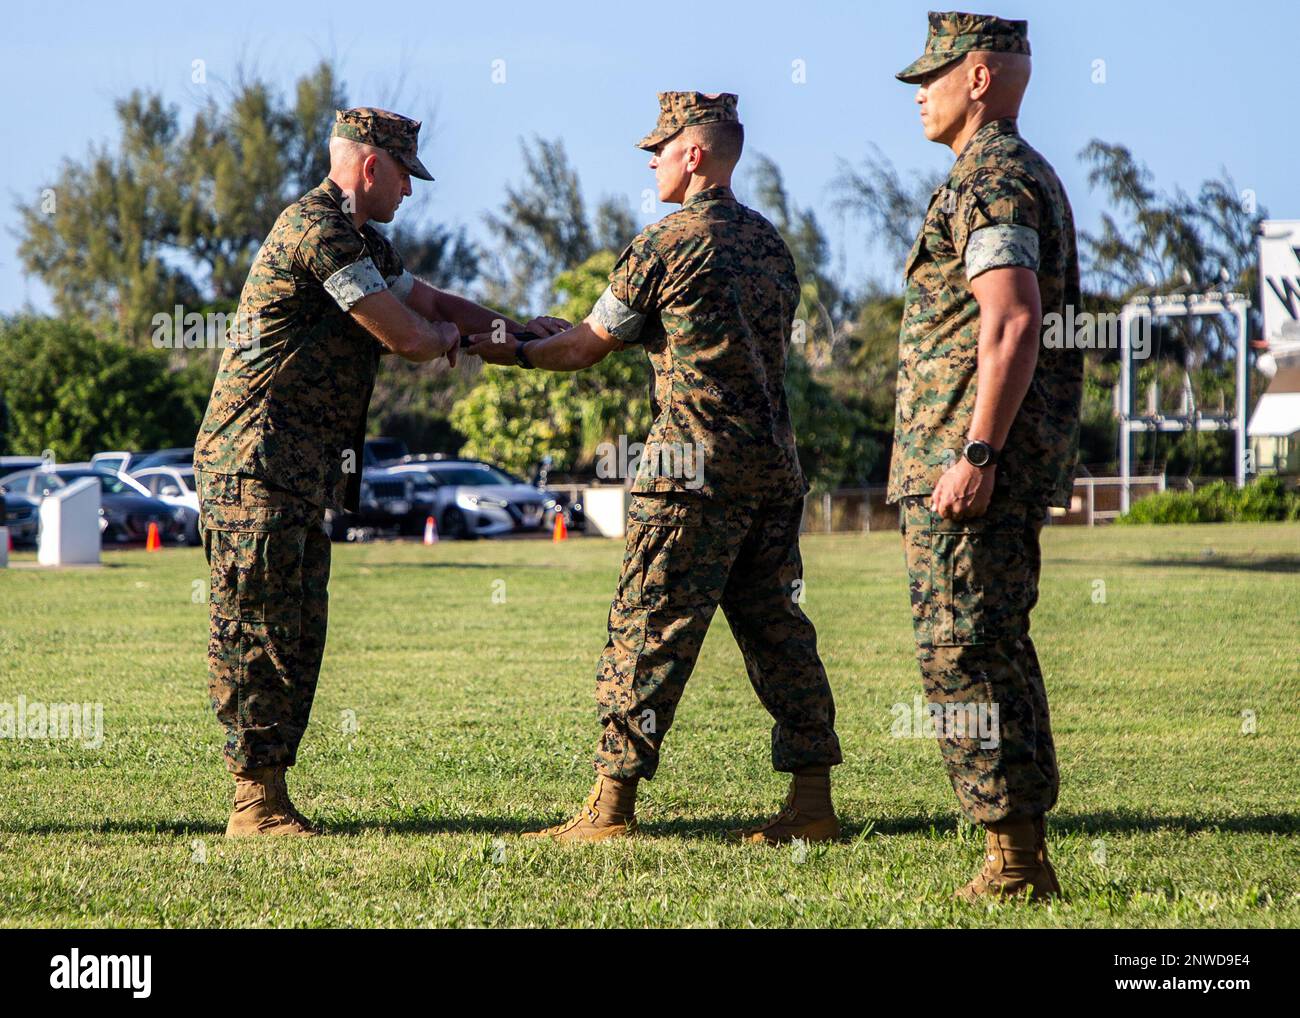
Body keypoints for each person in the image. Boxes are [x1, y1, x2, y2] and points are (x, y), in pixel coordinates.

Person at [468, 92, 842, 844]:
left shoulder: (668, 241)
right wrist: (565, 333)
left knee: (649, 630)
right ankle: (812, 805)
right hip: (770, 470)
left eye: (660, 147)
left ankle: (610, 811)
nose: (650, 160)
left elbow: (584, 348)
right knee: (778, 632)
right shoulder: (770, 243)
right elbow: (647, 330)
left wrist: (506, 347)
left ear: (694, 153)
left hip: (690, 475)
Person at [194, 107, 563, 836]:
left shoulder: (361, 240)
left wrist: (517, 333)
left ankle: (269, 794)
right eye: (405, 176)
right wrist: (445, 341)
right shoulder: (317, 231)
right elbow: (406, 332)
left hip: (295, 469)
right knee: (257, 632)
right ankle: (253, 803)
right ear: (371, 167)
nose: (411, 192)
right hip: (254, 465)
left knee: (299, 633)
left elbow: (428, 303)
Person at [889, 13, 1083, 899]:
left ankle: (1013, 860)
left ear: (978, 77)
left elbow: (1010, 317)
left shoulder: (992, 179)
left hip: (967, 469)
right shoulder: (1011, 172)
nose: (917, 93)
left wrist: (976, 451)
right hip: (975, 463)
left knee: (963, 649)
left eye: (931, 76)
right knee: (993, 645)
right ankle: (1022, 852)